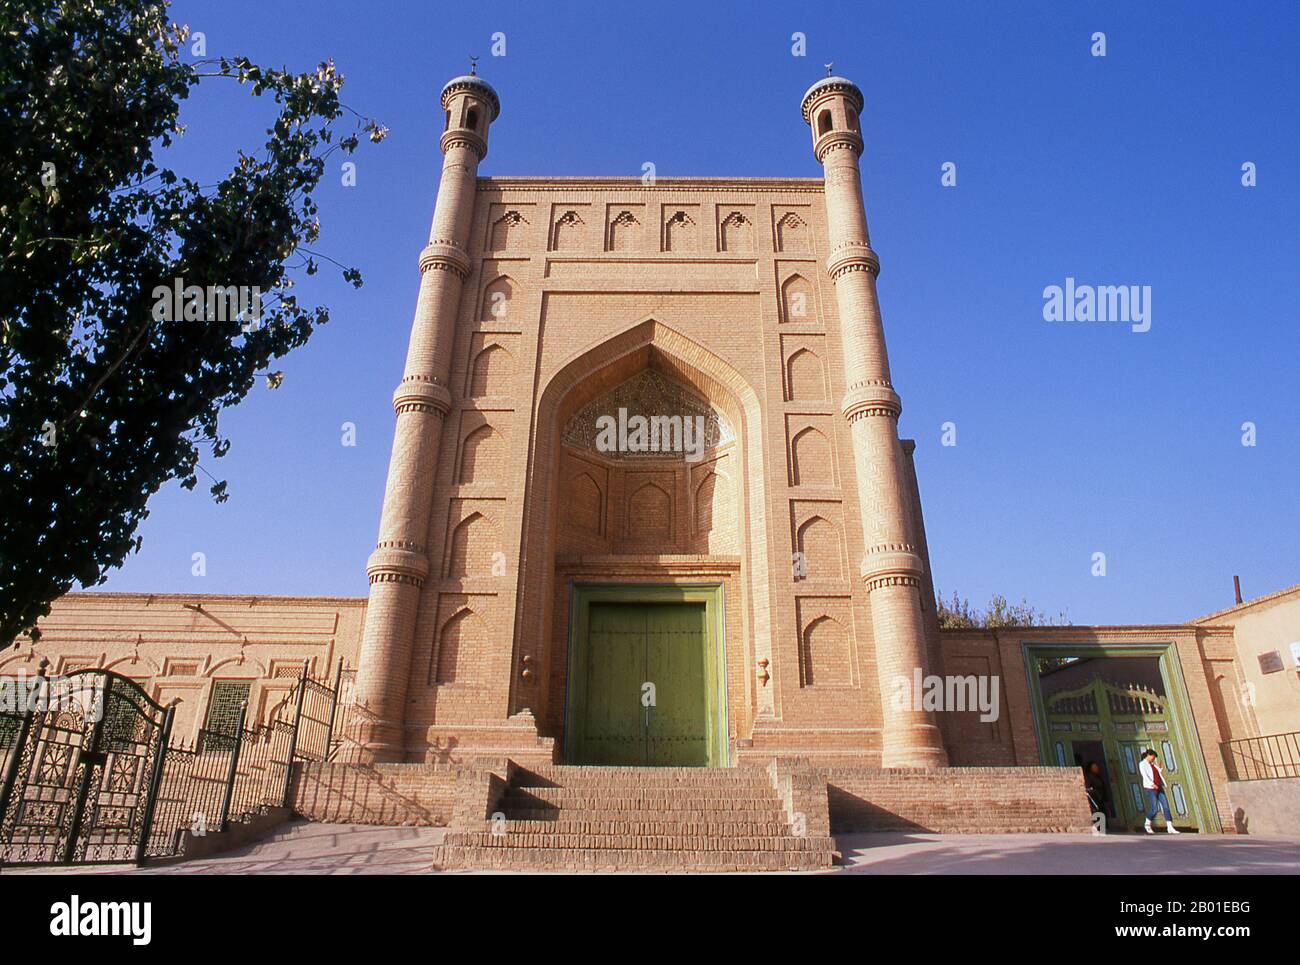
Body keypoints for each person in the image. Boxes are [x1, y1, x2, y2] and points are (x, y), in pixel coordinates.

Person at [1139, 748, 1180, 834]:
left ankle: (1170, 826)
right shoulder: (1142, 764)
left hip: (1159, 787)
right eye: (1153, 757)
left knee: (1166, 806)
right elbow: (1145, 776)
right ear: (1149, 755)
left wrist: (1160, 771)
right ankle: (1147, 824)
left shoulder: (1152, 764)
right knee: (1154, 808)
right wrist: (1151, 784)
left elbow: (1158, 772)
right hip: (1151, 788)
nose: (1153, 759)